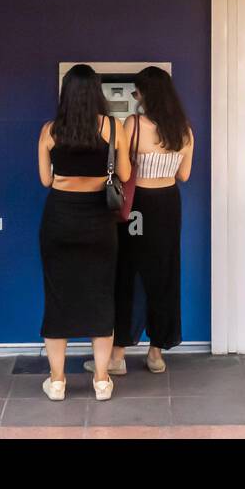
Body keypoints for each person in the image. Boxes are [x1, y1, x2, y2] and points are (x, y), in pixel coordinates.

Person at [89, 66, 194, 378]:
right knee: (163, 274)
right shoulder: (184, 129)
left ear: (147, 94)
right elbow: (184, 175)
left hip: (137, 207)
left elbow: (122, 168)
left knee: (127, 273)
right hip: (168, 204)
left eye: (136, 92)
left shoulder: (132, 124)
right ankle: (156, 352)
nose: (135, 97)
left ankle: (118, 355)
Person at [37, 64, 132, 401]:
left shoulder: (50, 130)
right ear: (97, 92)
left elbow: (46, 180)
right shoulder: (113, 126)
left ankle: (58, 381)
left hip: (59, 218)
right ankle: (102, 380)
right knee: (100, 295)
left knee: (58, 295)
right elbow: (123, 172)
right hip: (98, 221)